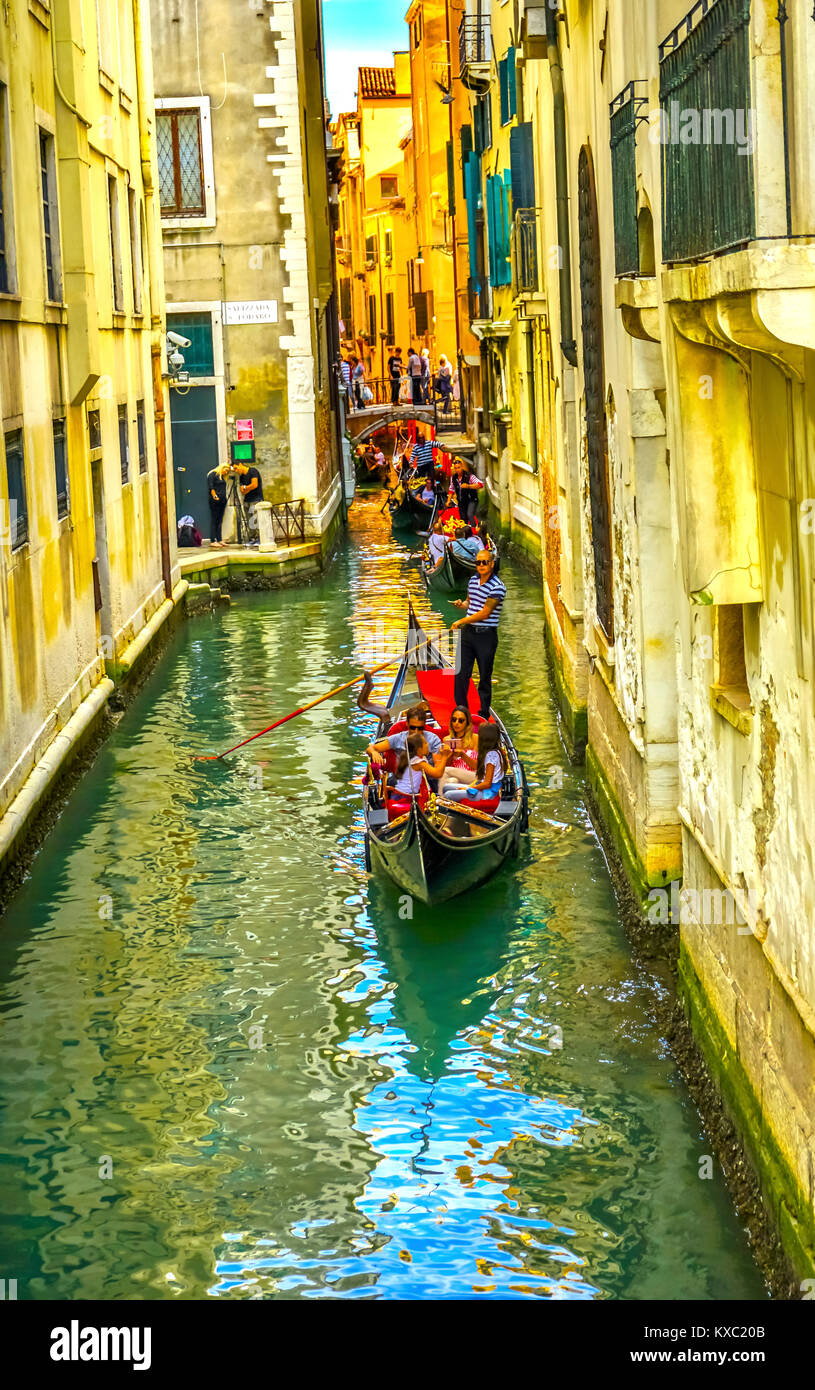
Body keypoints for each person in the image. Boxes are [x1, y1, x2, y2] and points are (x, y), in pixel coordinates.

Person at [450, 549, 507, 717]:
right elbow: (471, 603)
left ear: (491, 564)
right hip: (468, 634)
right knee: (460, 673)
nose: (480, 565)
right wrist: (462, 605)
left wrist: (461, 621)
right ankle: (461, 711)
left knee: (484, 676)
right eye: (478, 562)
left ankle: (483, 715)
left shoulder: (498, 587)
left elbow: (485, 613)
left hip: (486, 636)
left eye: (484, 562)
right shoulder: (473, 580)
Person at [443, 722, 506, 804]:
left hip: (487, 793)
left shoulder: (491, 755)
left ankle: (450, 814)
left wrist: (470, 788)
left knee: (448, 795)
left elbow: (487, 784)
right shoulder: (490, 752)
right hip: (481, 787)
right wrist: (470, 786)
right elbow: (480, 778)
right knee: (446, 787)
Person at [365, 702, 443, 767]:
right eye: (412, 728)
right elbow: (370, 748)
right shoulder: (398, 738)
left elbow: (438, 765)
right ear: (407, 724)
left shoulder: (433, 739)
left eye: (420, 728)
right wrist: (374, 752)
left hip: (429, 777)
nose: (416, 732)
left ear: (424, 726)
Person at [390, 731, 451, 800]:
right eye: (425, 743)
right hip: (407, 797)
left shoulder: (410, 758)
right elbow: (437, 774)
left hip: (399, 794)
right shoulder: (418, 762)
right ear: (419, 750)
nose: (428, 744)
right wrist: (444, 757)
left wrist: (444, 756)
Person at [438, 705, 479, 797]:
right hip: (456, 776)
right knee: (452, 781)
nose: (456, 723)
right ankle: (449, 805)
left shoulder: (475, 739)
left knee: (446, 770)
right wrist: (449, 755)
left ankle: (440, 801)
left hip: (474, 776)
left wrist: (462, 755)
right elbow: (447, 764)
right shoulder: (447, 740)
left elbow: (478, 766)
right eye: (454, 720)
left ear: (467, 723)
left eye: (461, 721)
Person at [233, 459, 263, 543]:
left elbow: (255, 485)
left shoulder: (253, 471)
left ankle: (259, 538)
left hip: (255, 499)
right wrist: (247, 488)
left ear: (240, 464)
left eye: (236, 468)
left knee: (256, 520)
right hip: (247, 500)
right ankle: (253, 538)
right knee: (249, 520)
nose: (236, 471)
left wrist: (246, 487)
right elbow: (242, 490)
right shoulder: (241, 476)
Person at [207, 462, 229, 546]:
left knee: (220, 520)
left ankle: (219, 539)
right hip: (215, 501)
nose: (226, 472)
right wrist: (215, 496)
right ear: (221, 468)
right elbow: (211, 487)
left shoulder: (222, 477)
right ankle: (213, 540)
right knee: (214, 520)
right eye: (225, 470)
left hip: (222, 501)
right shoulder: (212, 474)